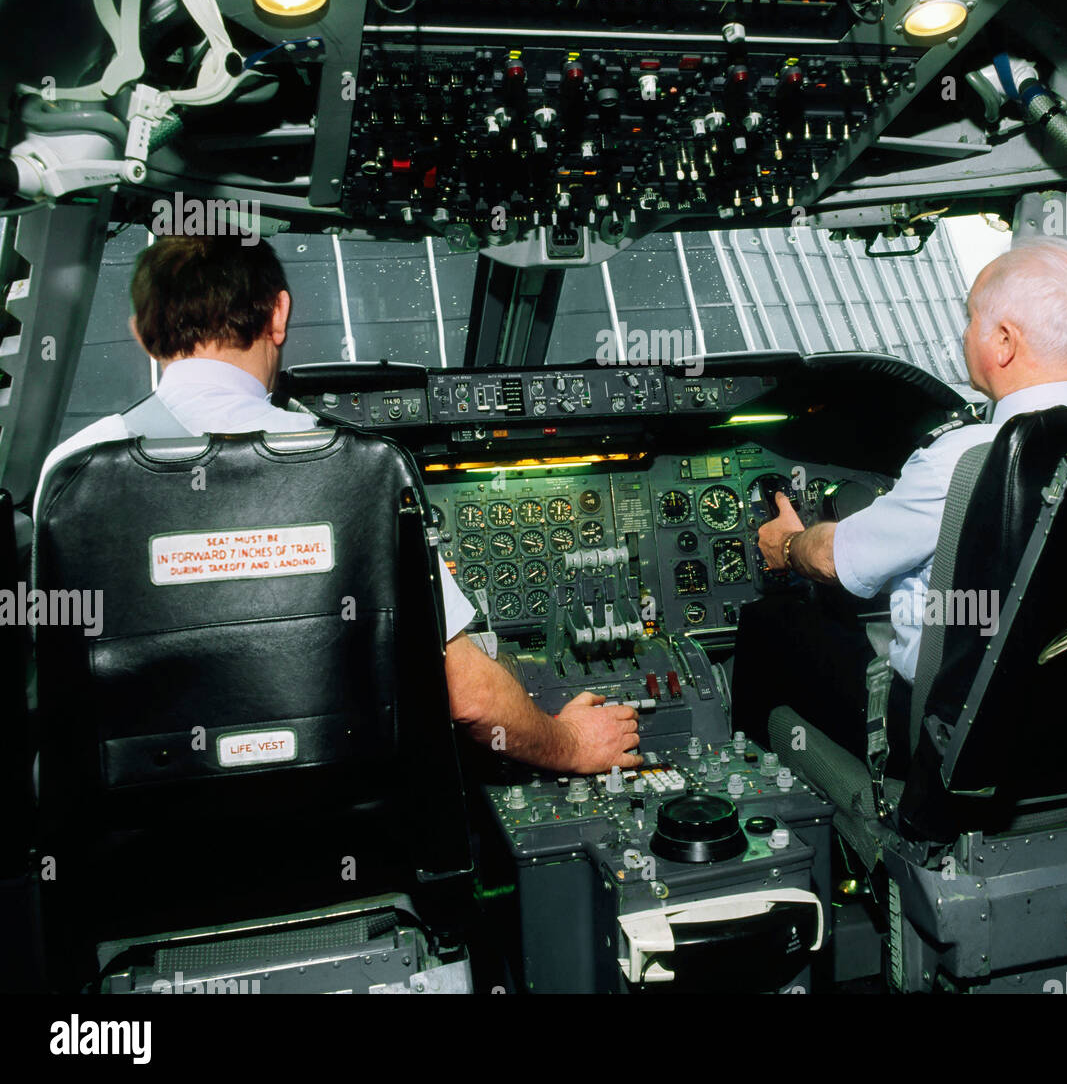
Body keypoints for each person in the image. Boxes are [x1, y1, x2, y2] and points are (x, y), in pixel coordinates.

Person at [37, 234, 639, 775]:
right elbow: (468, 696)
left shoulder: (73, 471)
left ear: (142, 332)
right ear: (279, 314)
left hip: (135, 855)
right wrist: (570, 742)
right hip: (346, 834)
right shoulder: (364, 470)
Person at [756, 236, 1067, 683]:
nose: (964, 333)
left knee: (770, 623)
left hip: (945, 719)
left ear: (1003, 341)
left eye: (972, 319)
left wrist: (787, 545)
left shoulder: (968, 459)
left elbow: (833, 559)